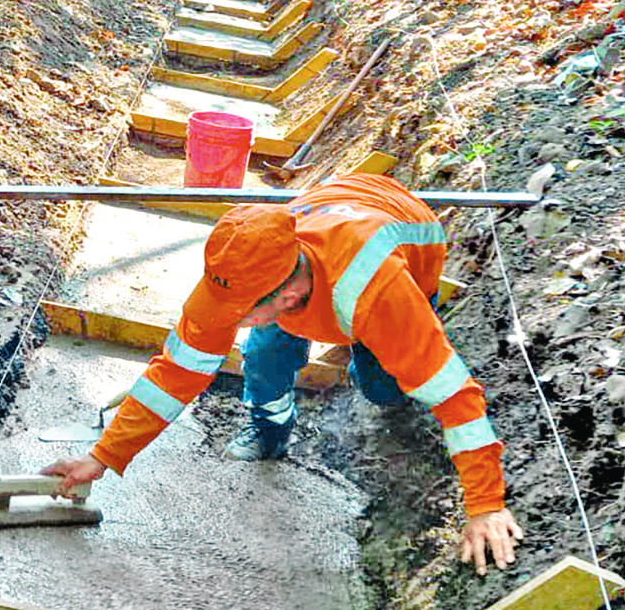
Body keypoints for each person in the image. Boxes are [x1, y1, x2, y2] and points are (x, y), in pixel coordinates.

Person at [43, 174, 523, 575]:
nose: (227, 320)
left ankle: (370, 353)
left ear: (286, 297)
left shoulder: (378, 290)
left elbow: (455, 394)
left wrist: (485, 504)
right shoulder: (248, 264)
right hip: (332, 219)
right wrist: (103, 456)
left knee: (384, 385)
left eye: (240, 313)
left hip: (404, 241)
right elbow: (178, 372)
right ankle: (271, 428)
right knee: (265, 354)